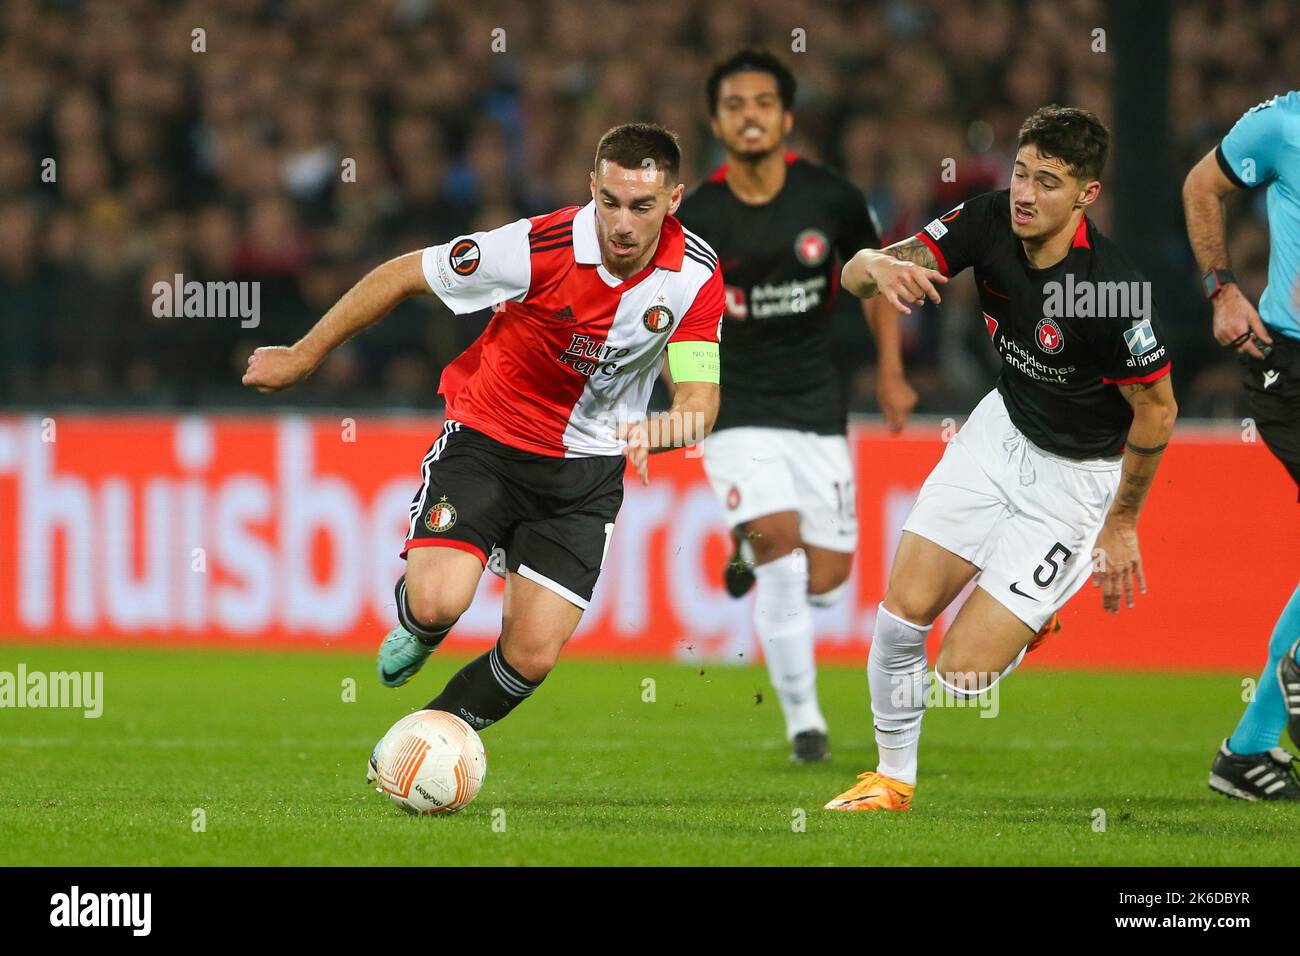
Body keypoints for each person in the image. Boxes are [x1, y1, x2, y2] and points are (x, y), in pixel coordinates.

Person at [242, 124, 724, 755]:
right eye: (610, 201)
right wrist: (303, 357)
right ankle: (419, 623)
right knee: (440, 603)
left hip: (584, 474)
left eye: (642, 206)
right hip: (489, 442)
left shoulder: (694, 276)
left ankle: (418, 745)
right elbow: (401, 274)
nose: (623, 224)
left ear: (674, 200)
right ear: (592, 189)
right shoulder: (536, 246)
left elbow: (700, 403)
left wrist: (660, 431)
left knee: (531, 657)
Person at [823, 105, 1179, 811]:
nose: (1024, 193)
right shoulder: (987, 220)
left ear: (1086, 195)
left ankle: (1035, 614)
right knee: (901, 614)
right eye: (1021, 173)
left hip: (1077, 482)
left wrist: (1122, 522)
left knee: (962, 676)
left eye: (1048, 182)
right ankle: (892, 781)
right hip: (998, 434)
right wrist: (869, 266)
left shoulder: (1111, 288)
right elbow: (871, 276)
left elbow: (1158, 409)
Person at [674, 49, 915, 763]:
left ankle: (744, 547)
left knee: (829, 576)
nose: (749, 115)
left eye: (762, 102)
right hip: (734, 405)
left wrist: (892, 373)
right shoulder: (700, 214)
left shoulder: (832, 199)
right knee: (780, 545)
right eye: (734, 104)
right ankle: (805, 725)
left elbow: (876, 279)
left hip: (817, 404)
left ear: (785, 116)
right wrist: (688, 393)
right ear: (717, 121)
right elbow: (670, 307)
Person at [1183, 90, 1300, 801]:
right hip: (1289, 361)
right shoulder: (1284, 123)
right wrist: (1222, 289)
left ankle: (1246, 755)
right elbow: (1202, 184)